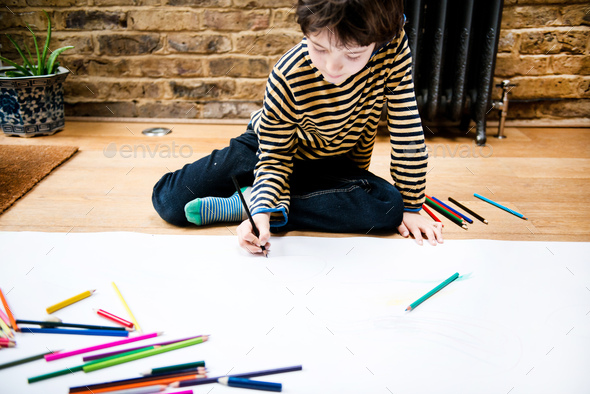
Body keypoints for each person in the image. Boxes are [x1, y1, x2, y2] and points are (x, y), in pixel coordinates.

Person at [152, 0, 444, 255]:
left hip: (330, 162)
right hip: (267, 147)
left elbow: (406, 124)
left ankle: (254, 204)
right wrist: (267, 198)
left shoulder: (393, 49)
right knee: (170, 201)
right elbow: (276, 158)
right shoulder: (288, 73)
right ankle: (267, 200)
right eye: (319, 48)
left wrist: (411, 205)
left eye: (353, 56)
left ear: (379, 42)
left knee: (390, 206)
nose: (332, 67)